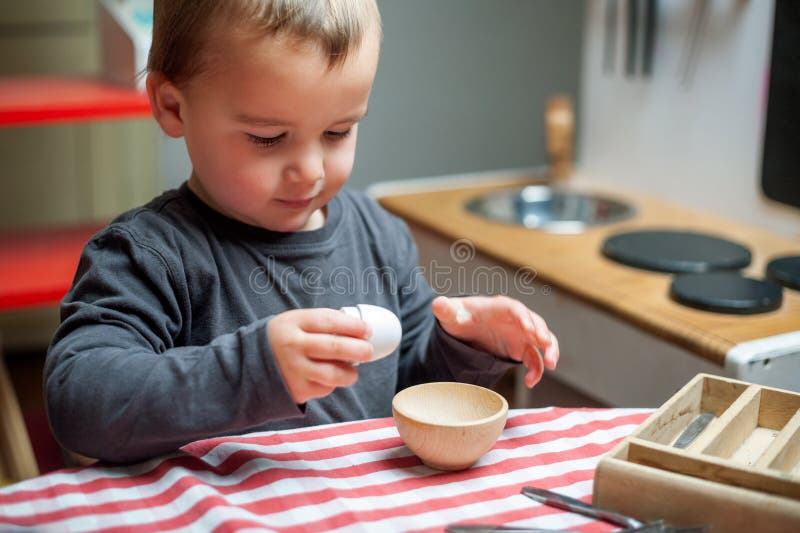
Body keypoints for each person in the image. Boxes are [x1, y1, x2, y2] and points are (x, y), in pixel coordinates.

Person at [45, 0, 560, 463]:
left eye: (338, 132)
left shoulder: (380, 236)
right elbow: (79, 399)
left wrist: (466, 344)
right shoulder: (150, 255)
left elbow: (411, 386)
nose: (311, 170)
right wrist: (252, 371)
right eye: (268, 138)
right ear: (173, 107)